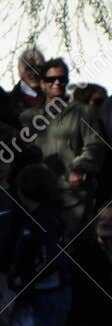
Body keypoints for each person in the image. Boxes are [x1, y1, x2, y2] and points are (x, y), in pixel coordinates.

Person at [6, 163, 70, 326]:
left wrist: (23, 280)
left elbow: (49, 260)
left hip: (45, 295)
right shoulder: (38, 217)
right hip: (34, 295)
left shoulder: (45, 220)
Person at [37, 60, 109, 233]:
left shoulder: (83, 112)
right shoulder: (29, 117)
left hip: (73, 195)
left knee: (75, 242)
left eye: (62, 79)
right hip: (40, 193)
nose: (57, 83)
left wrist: (79, 168)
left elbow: (95, 145)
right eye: (51, 79)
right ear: (42, 83)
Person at [13, 47, 47, 114]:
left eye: (38, 67)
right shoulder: (9, 102)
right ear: (19, 71)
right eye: (29, 69)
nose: (34, 73)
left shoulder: (54, 96)